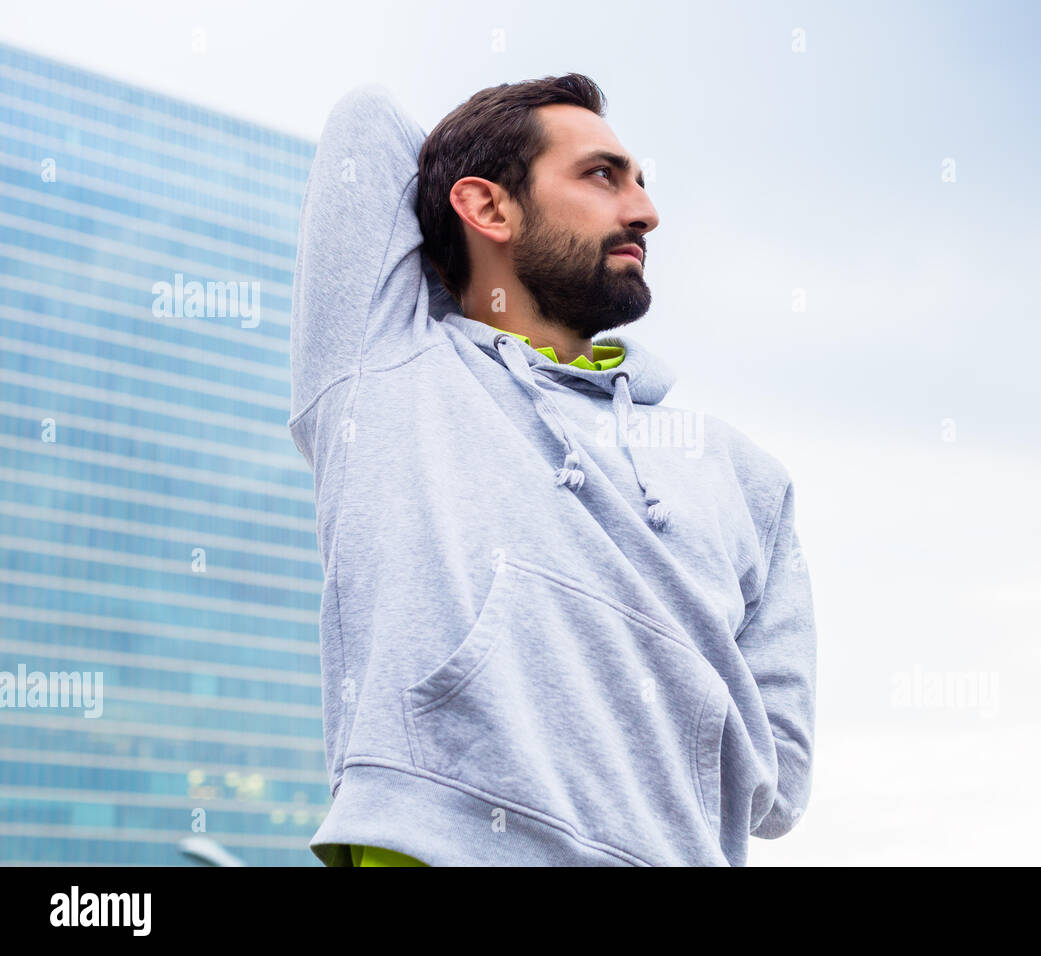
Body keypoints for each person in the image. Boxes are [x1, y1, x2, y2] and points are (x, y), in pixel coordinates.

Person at [288, 74, 817, 866]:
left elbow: (783, 778)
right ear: (489, 206)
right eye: (602, 175)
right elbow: (366, 122)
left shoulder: (744, 475)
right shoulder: (390, 374)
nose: (644, 212)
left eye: (640, 182)